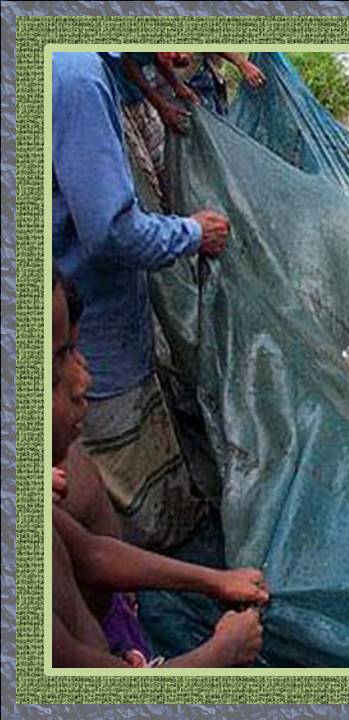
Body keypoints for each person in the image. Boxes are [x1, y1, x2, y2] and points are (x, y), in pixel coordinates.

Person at [53, 51, 230, 551]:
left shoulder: (82, 66)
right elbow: (111, 232)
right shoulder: (77, 76)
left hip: (94, 329)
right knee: (138, 519)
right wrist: (192, 233)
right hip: (98, 342)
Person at [51, 267, 269, 668]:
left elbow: (92, 555)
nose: (82, 381)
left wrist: (215, 581)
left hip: (114, 633)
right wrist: (224, 650)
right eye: (52, 373)